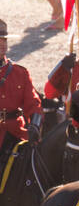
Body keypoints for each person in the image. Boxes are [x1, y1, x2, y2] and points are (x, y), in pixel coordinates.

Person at [0, 20, 43, 158]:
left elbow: (34, 104)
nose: (2, 44)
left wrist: (35, 126)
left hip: (17, 134)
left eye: (4, 39)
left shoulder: (20, 73)